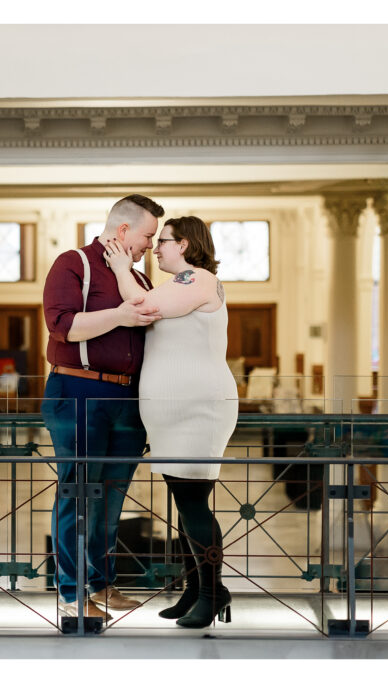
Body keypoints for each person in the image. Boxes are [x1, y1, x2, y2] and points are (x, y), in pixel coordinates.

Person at [103, 215, 238, 628]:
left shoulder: (197, 278)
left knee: (193, 502)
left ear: (185, 245)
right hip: (175, 414)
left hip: (197, 409)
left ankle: (212, 592)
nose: (157, 249)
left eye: (164, 241)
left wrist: (123, 270)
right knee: (185, 502)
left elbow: (141, 308)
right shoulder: (178, 282)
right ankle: (195, 588)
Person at [41, 194, 165, 621]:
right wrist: (120, 317)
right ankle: (72, 596)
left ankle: (102, 585)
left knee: (112, 499)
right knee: (77, 494)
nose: (151, 244)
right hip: (78, 391)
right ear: (125, 230)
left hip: (128, 401)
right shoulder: (72, 263)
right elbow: (62, 326)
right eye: (148, 235)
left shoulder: (140, 280)